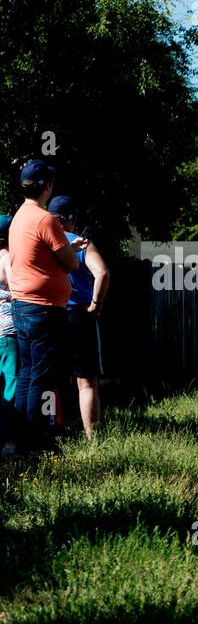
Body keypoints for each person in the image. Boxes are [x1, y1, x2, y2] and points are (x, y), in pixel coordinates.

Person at [7, 159, 88, 451]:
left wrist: (67, 248)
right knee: (43, 376)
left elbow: (40, 254)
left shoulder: (19, 217)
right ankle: (37, 440)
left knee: (28, 374)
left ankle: (21, 439)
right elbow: (68, 263)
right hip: (44, 308)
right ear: (47, 186)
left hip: (23, 305)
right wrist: (72, 252)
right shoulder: (46, 219)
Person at [49, 197, 110, 437]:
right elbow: (102, 273)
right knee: (86, 382)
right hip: (79, 316)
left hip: (49, 314)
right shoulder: (81, 244)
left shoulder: (43, 245)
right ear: (71, 219)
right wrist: (96, 304)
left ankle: (50, 432)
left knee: (50, 380)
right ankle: (92, 438)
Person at [0, 215, 17, 455]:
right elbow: (18, 287)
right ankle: (10, 442)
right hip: (8, 331)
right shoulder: (6, 259)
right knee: (10, 386)